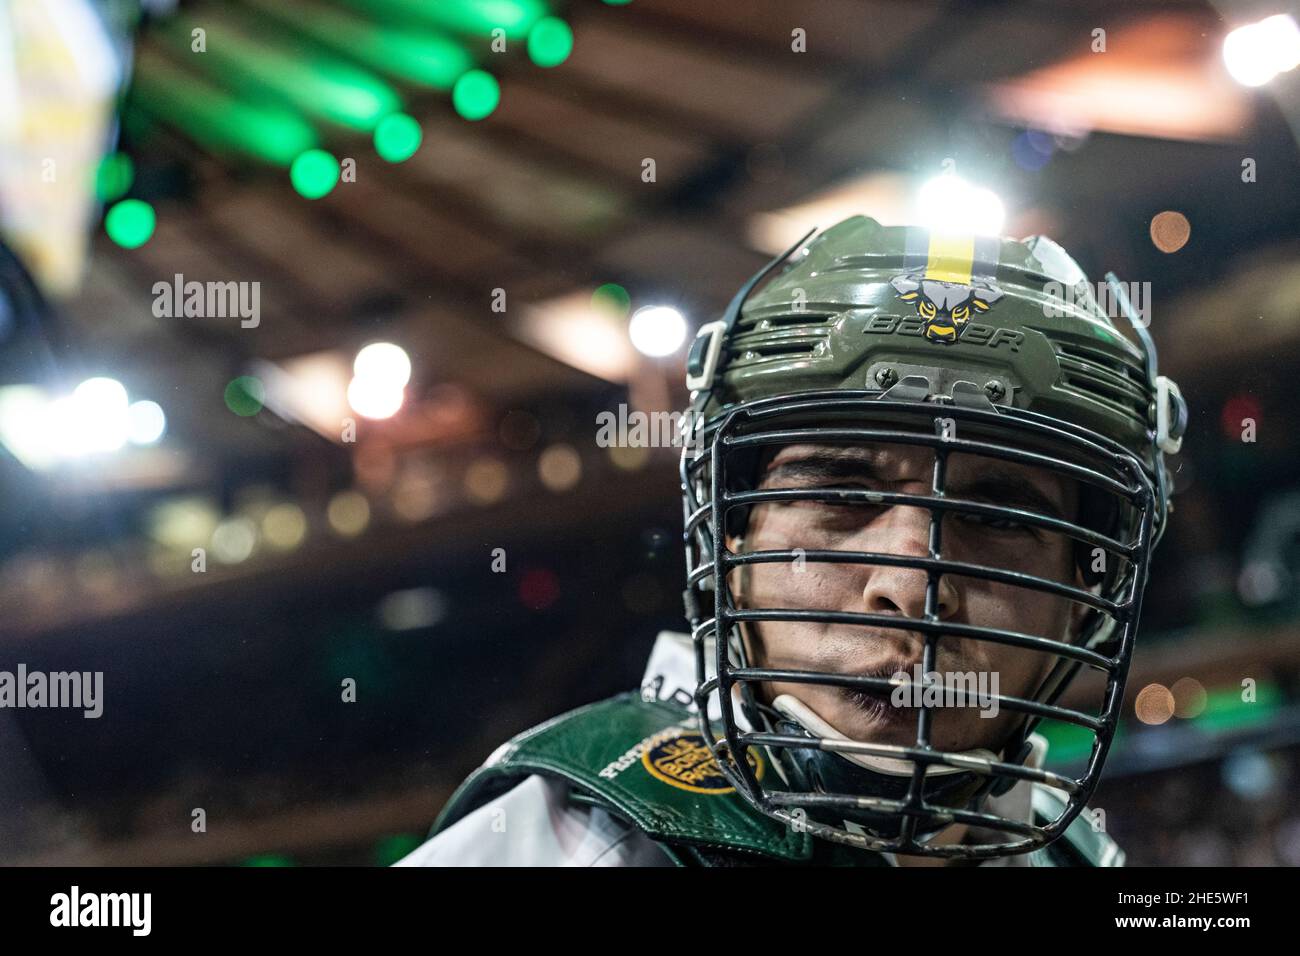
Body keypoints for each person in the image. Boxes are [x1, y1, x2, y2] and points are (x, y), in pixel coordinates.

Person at [397, 216, 1186, 867]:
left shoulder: (1082, 857)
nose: (911, 588)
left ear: (1089, 593)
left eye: (1001, 515)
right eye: (842, 494)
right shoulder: (563, 849)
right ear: (731, 543)